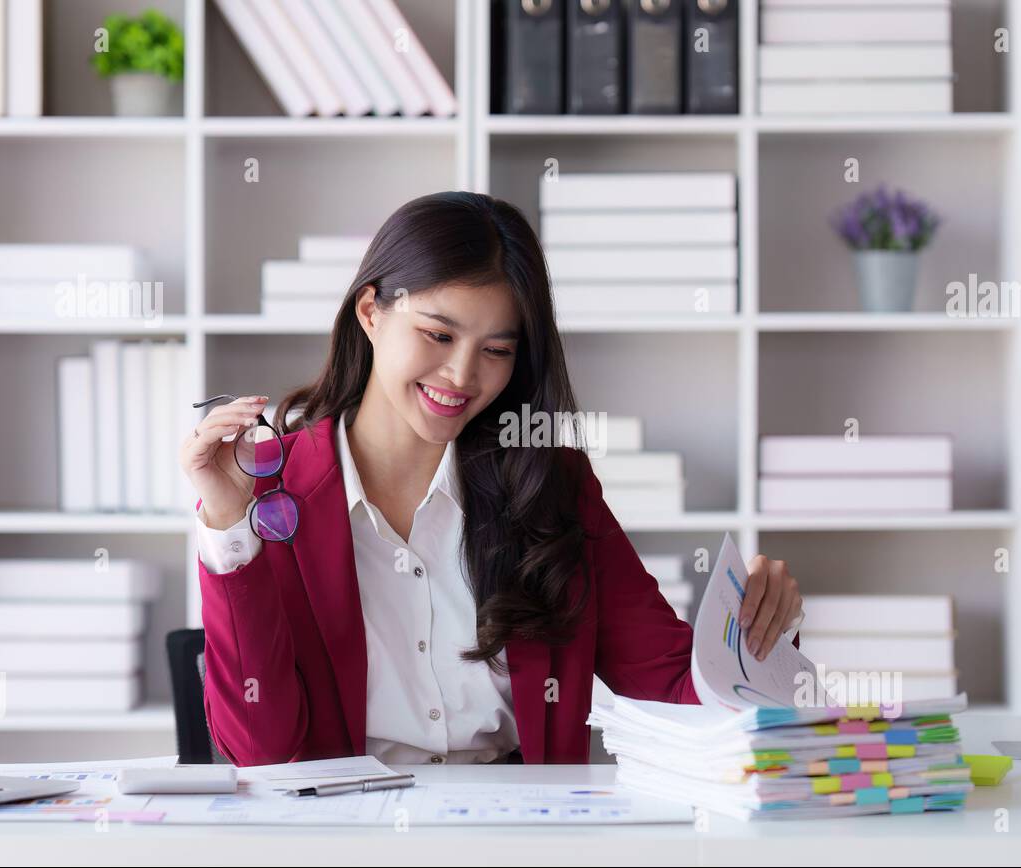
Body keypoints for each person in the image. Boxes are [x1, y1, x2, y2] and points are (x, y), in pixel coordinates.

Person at [179, 191, 801, 767]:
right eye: (438, 334)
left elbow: (677, 689)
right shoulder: (269, 496)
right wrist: (231, 529)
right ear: (371, 313)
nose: (461, 375)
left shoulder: (552, 488)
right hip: (347, 831)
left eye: (496, 350)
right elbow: (260, 752)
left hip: (523, 830)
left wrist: (753, 631)